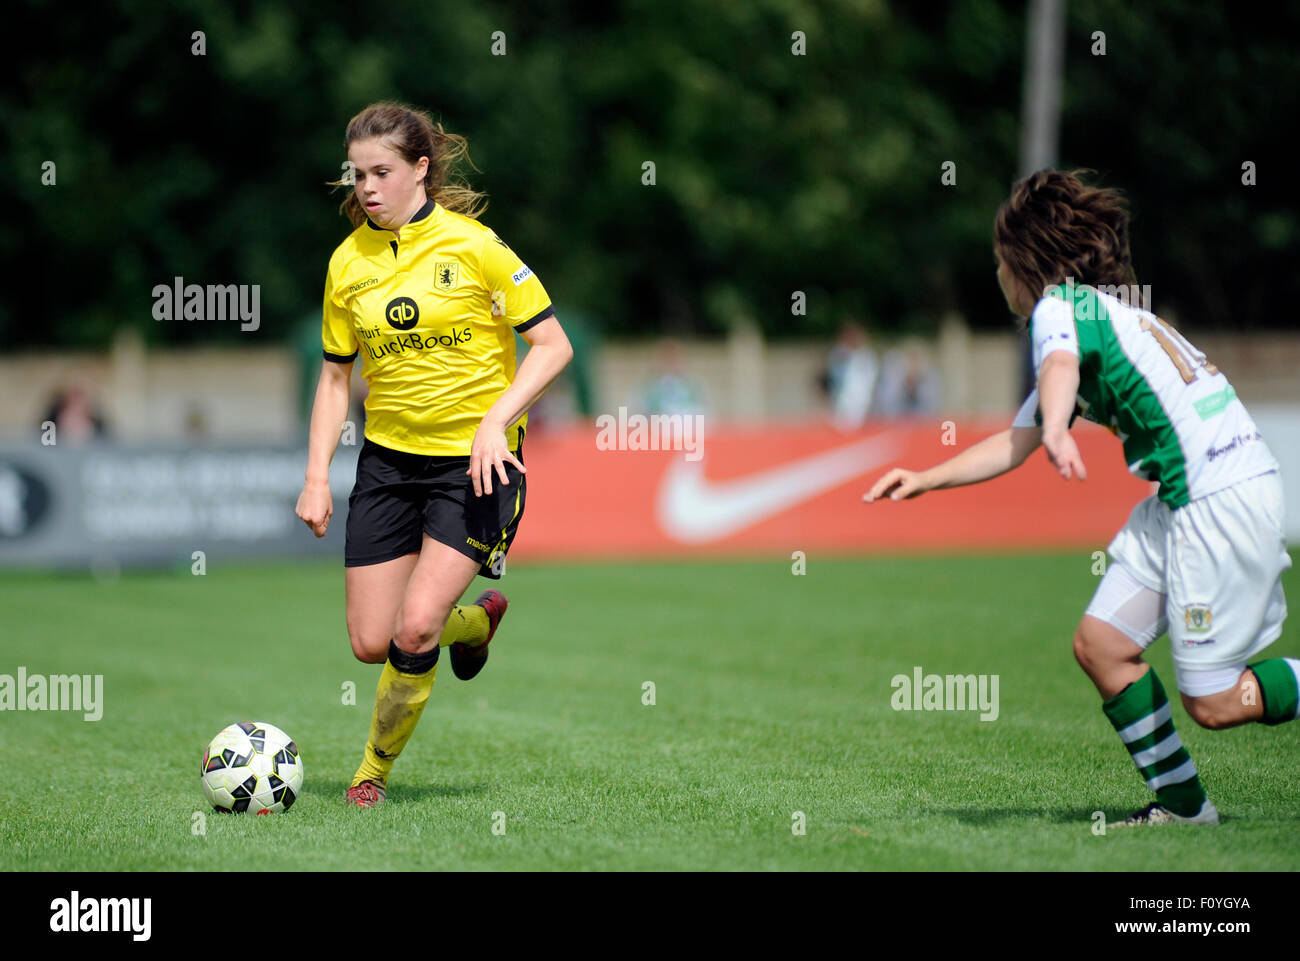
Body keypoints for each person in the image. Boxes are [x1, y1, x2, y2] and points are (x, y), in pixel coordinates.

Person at [865, 169, 1293, 827]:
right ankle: (1184, 809)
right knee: (1101, 643)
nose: (999, 278)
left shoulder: (1058, 310)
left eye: (999, 263)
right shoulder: (1100, 316)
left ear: (1022, 266)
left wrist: (1062, 425)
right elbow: (1019, 439)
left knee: (1213, 703)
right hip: (1191, 500)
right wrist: (927, 478)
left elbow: (1057, 375)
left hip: (1219, 499)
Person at [294, 102, 573, 808]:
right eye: (357, 174)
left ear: (421, 169)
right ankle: (477, 621)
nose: (367, 187)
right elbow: (334, 378)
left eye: (382, 172)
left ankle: (370, 775)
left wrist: (497, 420)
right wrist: (316, 477)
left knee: (415, 627)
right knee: (370, 640)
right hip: (388, 464)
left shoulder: (475, 246)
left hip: (475, 465)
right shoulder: (346, 263)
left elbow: (553, 346)